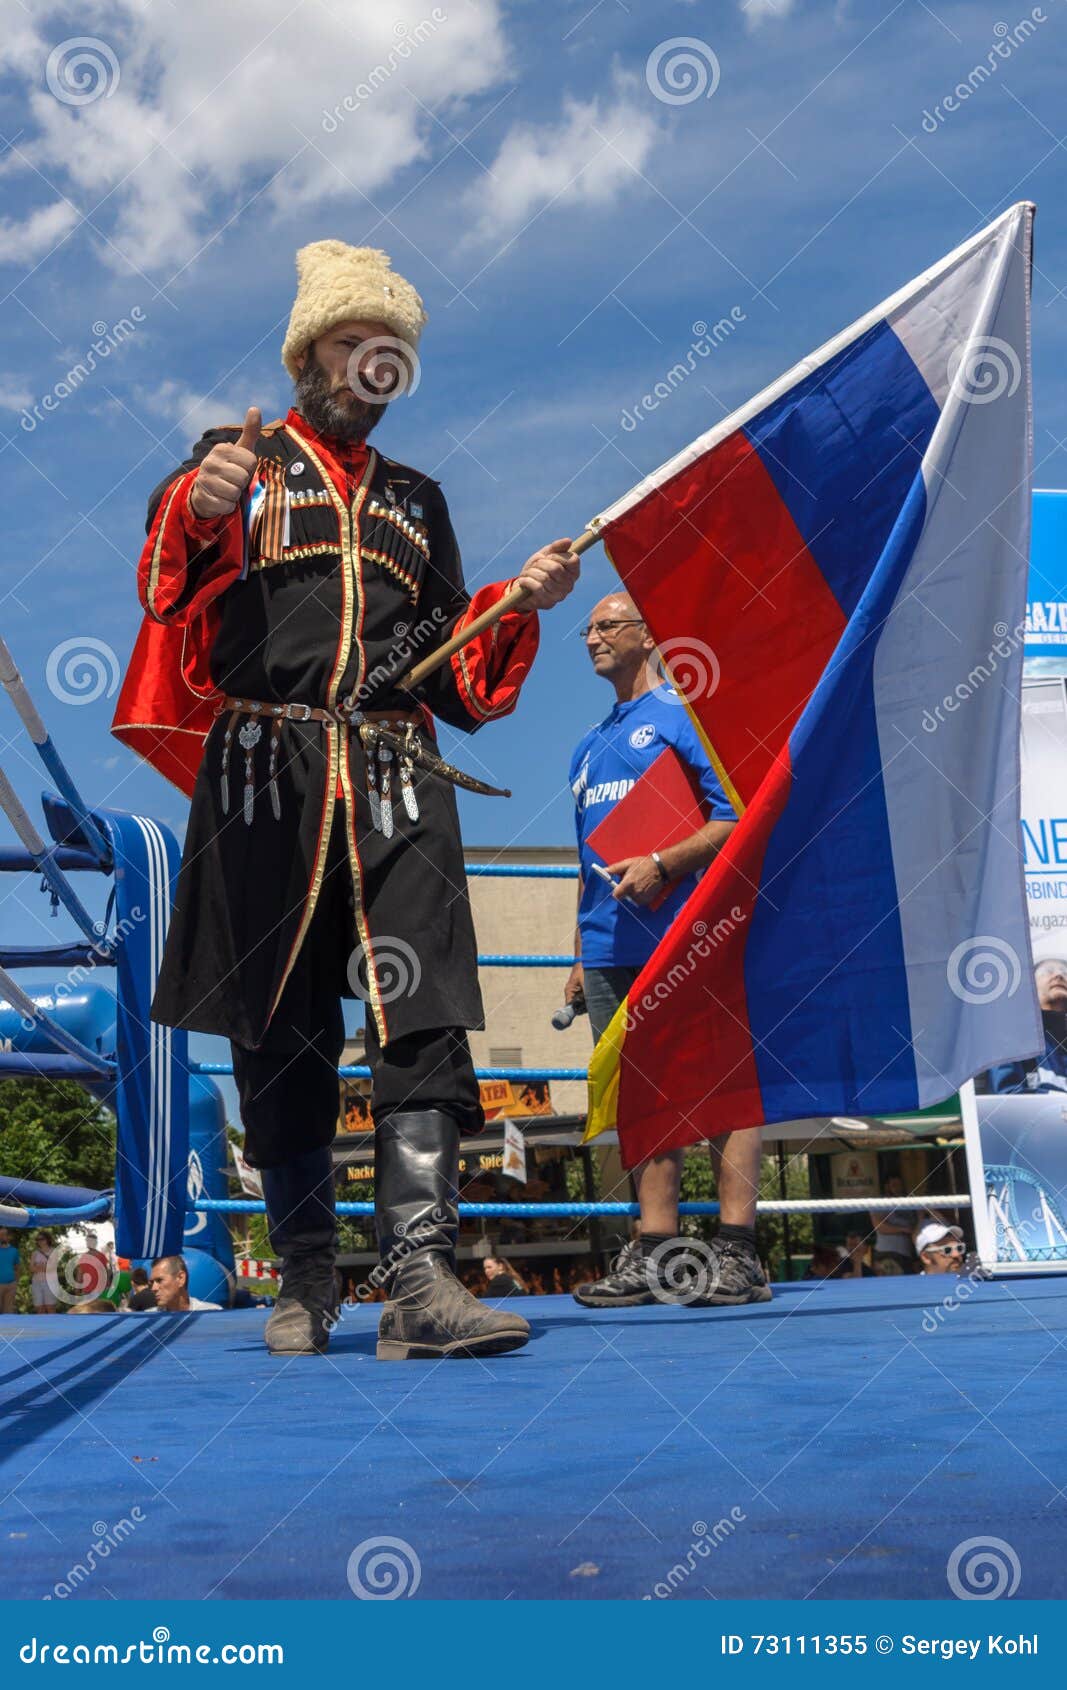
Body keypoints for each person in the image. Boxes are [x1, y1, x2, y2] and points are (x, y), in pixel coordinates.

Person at [112, 241, 580, 1364]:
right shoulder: (233, 465)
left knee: (421, 1015)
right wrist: (197, 499)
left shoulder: (421, 501)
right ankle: (310, 1274)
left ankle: (420, 1275)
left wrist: (519, 605)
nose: (371, 367)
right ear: (307, 354)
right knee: (280, 1027)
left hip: (393, 773)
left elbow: (458, 681)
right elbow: (164, 589)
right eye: (351, 345)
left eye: (390, 354)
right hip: (265, 774)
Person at [564, 593, 769, 1308]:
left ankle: (739, 1252)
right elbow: (582, 859)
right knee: (636, 1098)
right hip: (608, 943)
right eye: (586, 628)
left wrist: (666, 862)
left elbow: (737, 814)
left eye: (606, 625)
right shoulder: (585, 748)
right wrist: (575, 950)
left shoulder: (684, 718)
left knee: (720, 1088)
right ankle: (655, 1254)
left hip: (688, 935)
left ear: (647, 633)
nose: (591, 636)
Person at [988, 959, 1067, 1092]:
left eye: (1065, 973)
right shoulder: (1011, 1036)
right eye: (1048, 971)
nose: (1059, 975)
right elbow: (1008, 1095)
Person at [869, 1175, 917, 1273]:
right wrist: (903, 1229)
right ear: (887, 1187)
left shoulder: (909, 1204)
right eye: (894, 1185)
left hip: (906, 1254)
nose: (898, 1188)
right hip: (887, 1253)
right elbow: (880, 1227)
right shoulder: (880, 1203)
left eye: (900, 1185)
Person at [148, 1256, 222, 1312]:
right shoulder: (149, 1318)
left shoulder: (212, 1314)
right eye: (152, 1282)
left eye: (159, 1280)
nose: (153, 1288)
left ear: (181, 1278)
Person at [29, 1231, 56, 1313]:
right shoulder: (35, 1253)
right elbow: (31, 1269)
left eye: (42, 1239)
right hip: (36, 1283)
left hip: (50, 1283)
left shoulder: (53, 1251)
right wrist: (44, 1267)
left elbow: (52, 1268)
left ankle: (53, 1326)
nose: (39, 1241)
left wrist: (37, 1267)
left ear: (47, 1239)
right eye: (37, 1239)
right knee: (39, 1308)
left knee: (50, 1307)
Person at [0, 1228, 19, 1315]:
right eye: (0, 1235)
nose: (2, 1237)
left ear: (8, 1237)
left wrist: (15, 1282)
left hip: (11, 1285)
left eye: (4, 1234)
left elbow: (17, 1267)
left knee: (8, 1312)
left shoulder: (14, 1251)